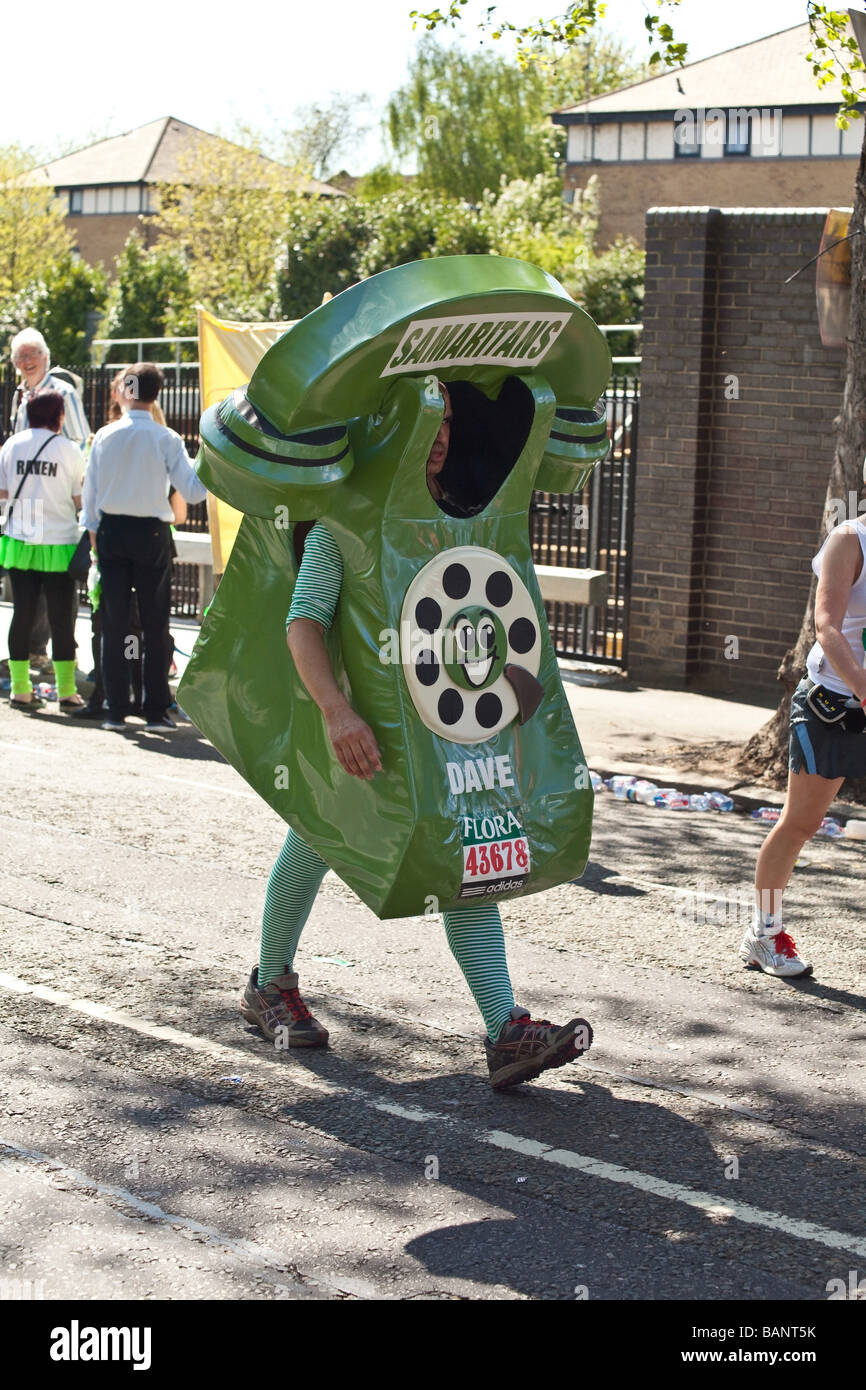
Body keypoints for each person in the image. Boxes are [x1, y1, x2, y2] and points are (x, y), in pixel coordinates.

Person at [240, 382, 593, 1090]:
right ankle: (269, 986)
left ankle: (503, 1030)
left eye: (449, 421)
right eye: (425, 420)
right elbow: (302, 624)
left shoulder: (466, 521)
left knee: (464, 855)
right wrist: (339, 714)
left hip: (440, 730)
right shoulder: (345, 522)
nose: (440, 432)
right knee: (312, 839)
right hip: (360, 727)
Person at [741, 495, 866, 977]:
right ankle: (764, 935)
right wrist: (861, 686)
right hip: (832, 705)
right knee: (801, 823)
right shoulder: (848, 540)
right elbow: (827, 625)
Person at [81, 362, 207, 733]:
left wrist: (94, 539)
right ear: (156, 394)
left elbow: (90, 499)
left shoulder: (104, 436)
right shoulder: (167, 439)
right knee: (155, 623)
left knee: (115, 623)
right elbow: (194, 492)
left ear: (126, 391)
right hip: (151, 533)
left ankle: (115, 709)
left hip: (112, 532)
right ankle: (155, 711)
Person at [0, 390, 85, 710]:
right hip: (59, 540)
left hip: (21, 539)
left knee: (22, 613)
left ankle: (20, 688)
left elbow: (3, 493)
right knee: (62, 619)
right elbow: (81, 501)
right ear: (59, 417)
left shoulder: (12, 445)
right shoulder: (69, 450)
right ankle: (66, 692)